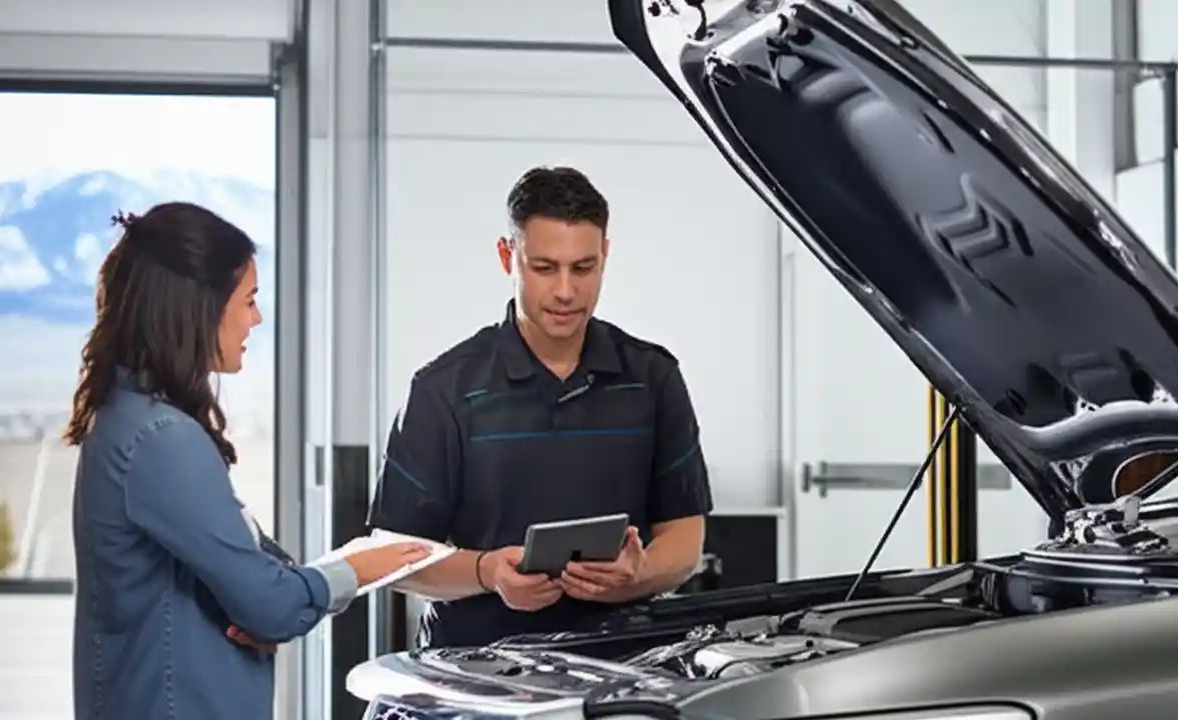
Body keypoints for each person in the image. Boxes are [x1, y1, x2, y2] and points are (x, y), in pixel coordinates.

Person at [64, 202, 431, 719]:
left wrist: (275, 595)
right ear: (199, 307)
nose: (256, 319)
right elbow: (271, 605)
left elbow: (253, 579)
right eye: (249, 301)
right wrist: (353, 570)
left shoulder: (131, 419)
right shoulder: (161, 439)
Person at [368, 166, 714, 647]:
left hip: (625, 664)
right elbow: (392, 555)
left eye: (584, 268)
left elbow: (685, 539)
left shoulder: (654, 378)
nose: (566, 291)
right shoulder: (442, 389)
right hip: (477, 667)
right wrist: (488, 572)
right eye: (545, 268)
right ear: (507, 256)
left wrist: (639, 573)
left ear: (605, 256)